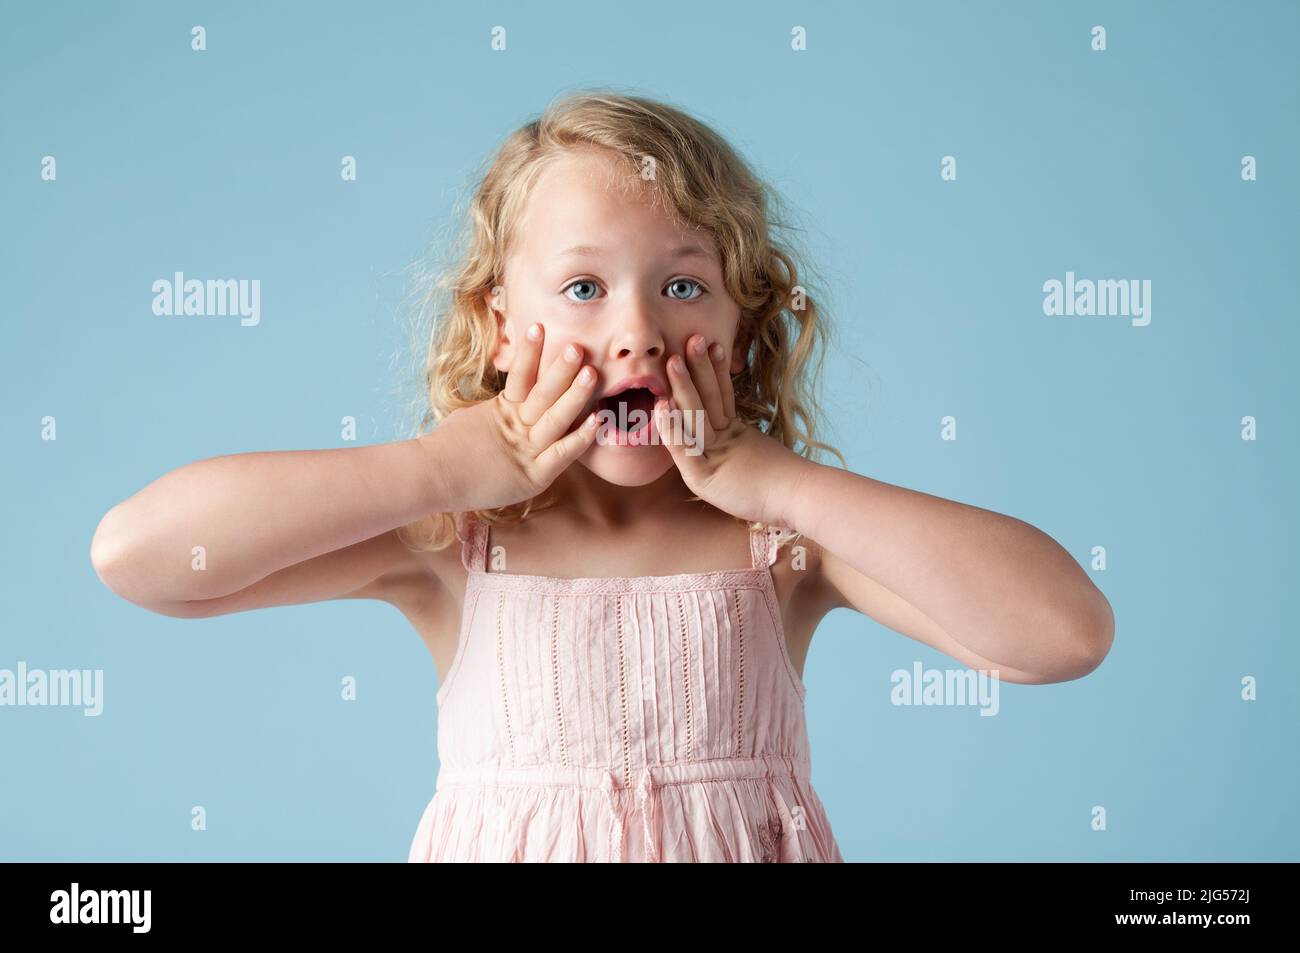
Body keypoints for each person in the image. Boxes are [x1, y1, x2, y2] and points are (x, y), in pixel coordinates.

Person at [91, 91, 1115, 862]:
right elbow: (141, 557)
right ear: (500, 327)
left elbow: (1063, 633)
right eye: (582, 287)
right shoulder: (454, 544)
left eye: (682, 284)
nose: (634, 333)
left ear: (740, 326)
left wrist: (783, 485)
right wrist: (441, 466)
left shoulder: (784, 550)